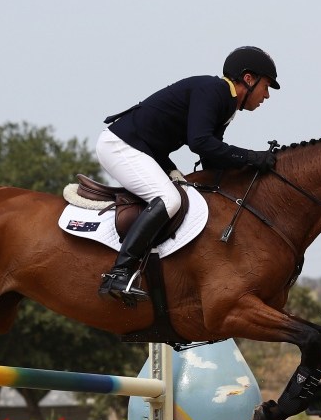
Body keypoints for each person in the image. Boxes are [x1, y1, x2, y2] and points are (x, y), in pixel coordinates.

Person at [95, 46, 281, 302]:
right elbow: (200, 142)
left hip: (147, 151)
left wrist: (250, 170)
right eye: (266, 86)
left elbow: (211, 157)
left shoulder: (227, 105)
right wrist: (251, 157)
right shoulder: (213, 91)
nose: (267, 95)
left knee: (191, 196)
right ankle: (119, 273)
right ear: (248, 79)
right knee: (169, 199)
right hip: (122, 145)